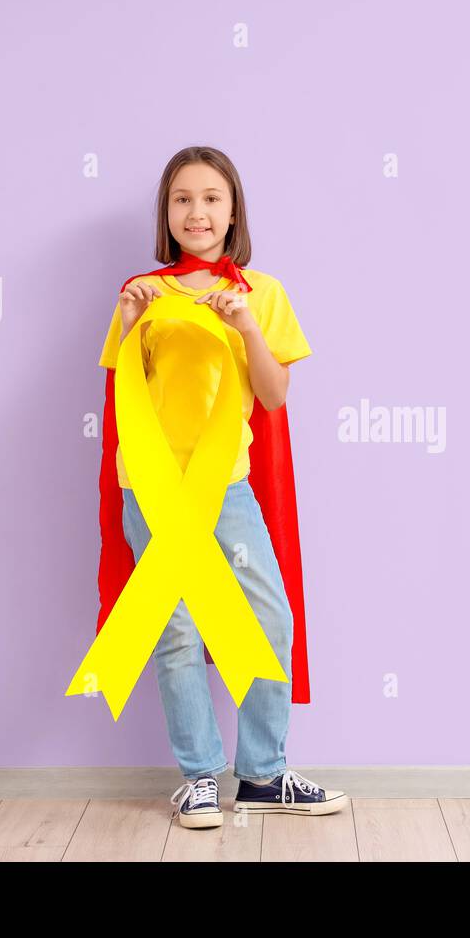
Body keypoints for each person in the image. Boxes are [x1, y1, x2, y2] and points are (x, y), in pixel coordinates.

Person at [97, 146, 347, 829]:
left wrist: (243, 327)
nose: (197, 211)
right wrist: (125, 325)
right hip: (152, 489)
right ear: (166, 213)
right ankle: (199, 777)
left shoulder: (261, 293)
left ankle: (263, 775)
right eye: (182, 199)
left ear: (233, 210)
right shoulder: (141, 293)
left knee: (267, 621)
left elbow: (272, 396)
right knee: (175, 631)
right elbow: (123, 400)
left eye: (211, 198)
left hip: (225, 488)